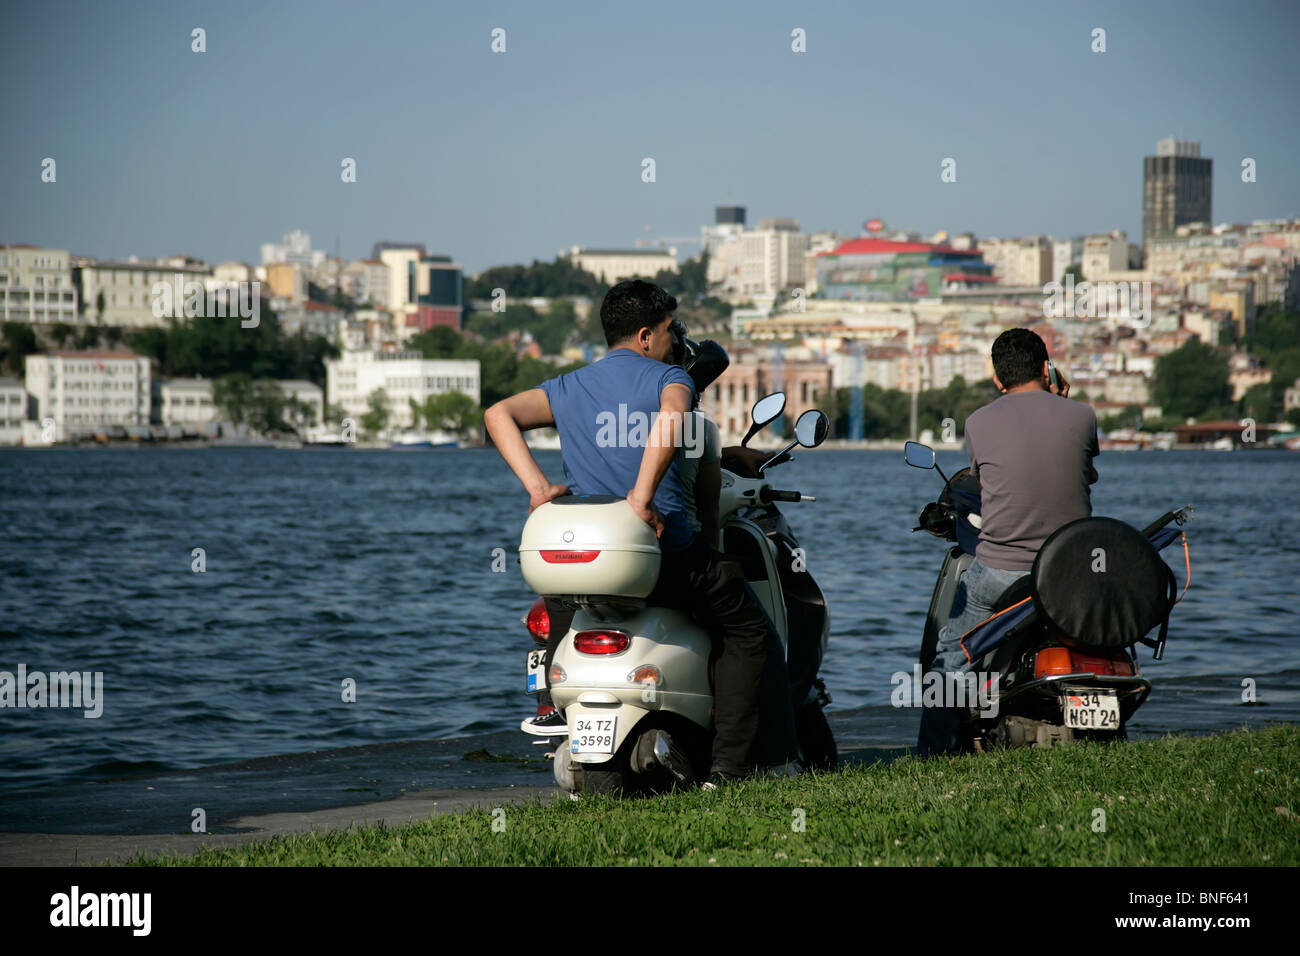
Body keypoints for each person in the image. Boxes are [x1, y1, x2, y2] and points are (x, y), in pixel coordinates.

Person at [485, 279, 779, 786]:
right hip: (664, 559)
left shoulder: (569, 386)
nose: (674, 340)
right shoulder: (671, 379)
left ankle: (556, 710)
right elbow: (672, 419)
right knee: (749, 631)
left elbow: (498, 414)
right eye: (668, 330)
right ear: (646, 335)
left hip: (589, 563)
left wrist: (537, 489)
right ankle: (729, 768)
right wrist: (642, 497)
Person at [917, 328, 1100, 756]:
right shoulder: (1083, 415)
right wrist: (1063, 400)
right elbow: (1084, 472)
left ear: (999, 380)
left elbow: (987, 481)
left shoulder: (979, 422)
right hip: (1071, 569)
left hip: (1001, 573)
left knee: (950, 653)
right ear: (1045, 368)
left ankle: (933, 757)